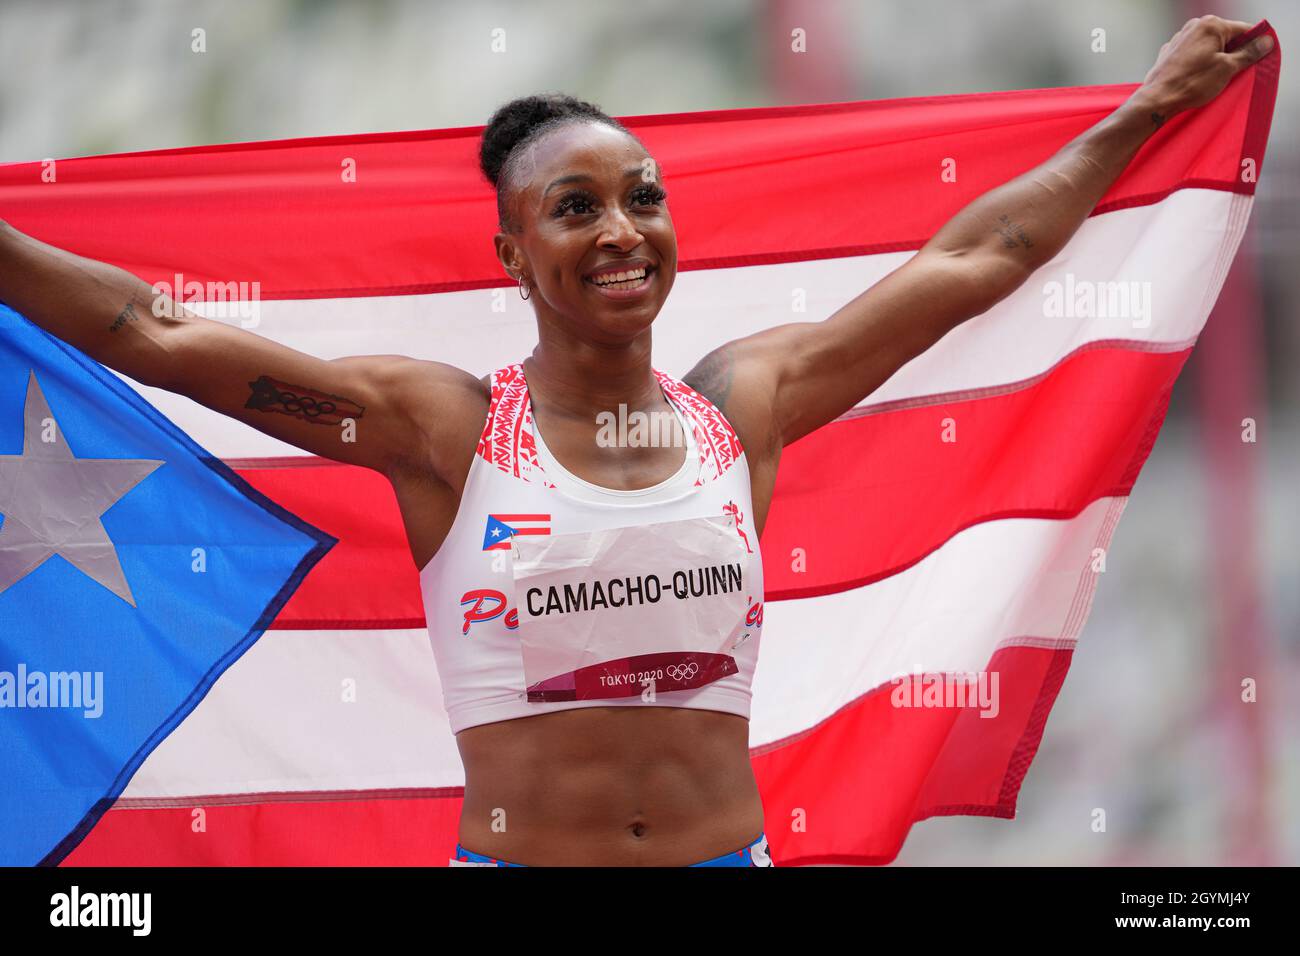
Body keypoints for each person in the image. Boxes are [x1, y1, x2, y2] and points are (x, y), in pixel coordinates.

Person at [0, 16, 1272, 867]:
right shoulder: (443, 429)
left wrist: (1148, 109)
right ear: (512, 255)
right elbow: (158, 332)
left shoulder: (746, 401)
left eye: (641, 198)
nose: (620, 228)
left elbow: (976, 257)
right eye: (574, 207)